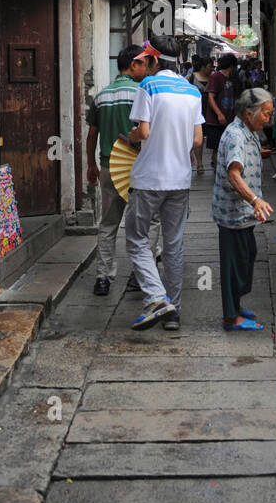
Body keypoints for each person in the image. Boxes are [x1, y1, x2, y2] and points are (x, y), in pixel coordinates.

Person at [125, 33, 204, 331]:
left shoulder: (149, 85)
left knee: (137, 239)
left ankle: (157, 299)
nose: (144, 63)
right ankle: (174, 312)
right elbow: (197, 140)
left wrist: (133, 136)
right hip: (180, 180)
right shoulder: (192, 91)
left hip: (149, 179)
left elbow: (142, 132)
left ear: (154, 60)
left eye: (145, 59)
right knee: (174, 245)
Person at [85, 45, 151, 296]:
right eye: (144, 63)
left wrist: (91, 163)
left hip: (108, 167)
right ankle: (139, 275)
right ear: (133, 64)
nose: (147, 69)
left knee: (108, 224)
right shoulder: (142, 93)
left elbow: (92, 135)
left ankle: (103, 278)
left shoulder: (101, 96)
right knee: (143, 224)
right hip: (138, 168)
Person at [212, 88, 275, 331]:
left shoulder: (246, 131)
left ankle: (235, 306)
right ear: (249, 113)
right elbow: (233, 173)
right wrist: (255, 200)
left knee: (245, 257)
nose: (268, 118)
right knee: (233, 265)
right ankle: (230, 316)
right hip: (233, 213)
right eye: (266, 114)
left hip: (242, 214)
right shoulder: (237, 135)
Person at [204, 52, 238, 171]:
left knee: (227, 145)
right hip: (216, 120)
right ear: (231, 66)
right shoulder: (216, 77)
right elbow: (210, 97)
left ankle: (223, 168)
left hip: (229, 119)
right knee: (216, 147)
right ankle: (217, 169)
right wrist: (219, 114)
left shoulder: (232, 78)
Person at [188, 55, 212, 174]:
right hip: (196, 111)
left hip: (211, 110)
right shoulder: (191, 77)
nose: (211, 69)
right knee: (199, 137)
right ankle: (199, 163)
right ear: (203, 67)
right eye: (209, 67)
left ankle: (213, 158)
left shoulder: (213, 78)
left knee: (212, 137)